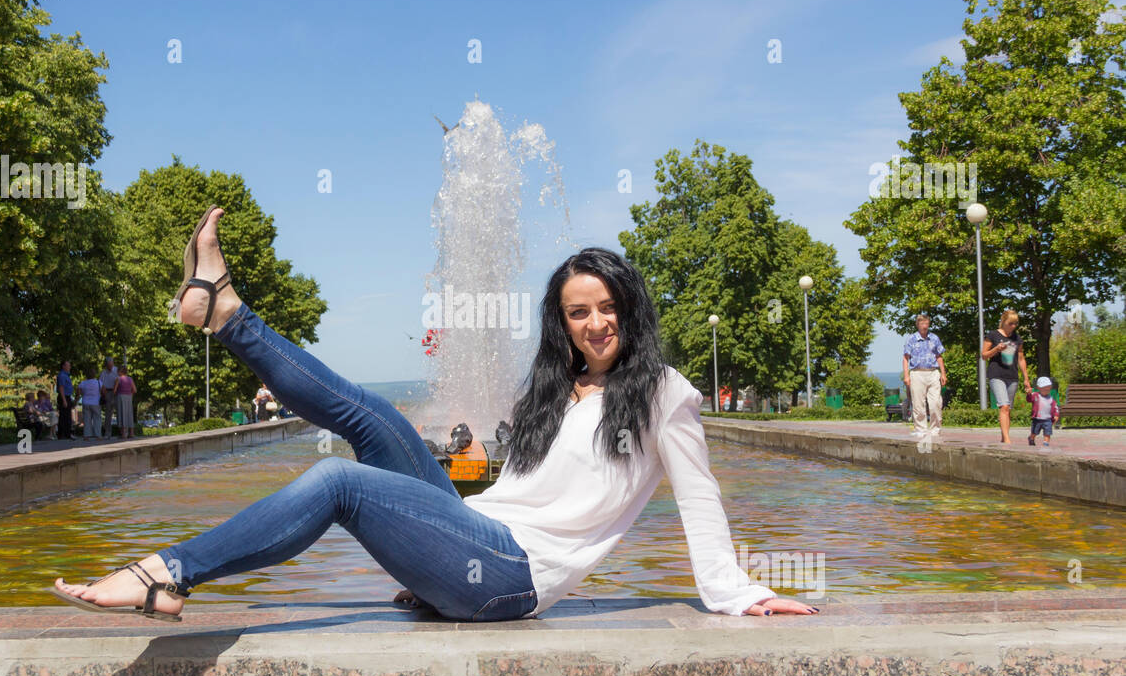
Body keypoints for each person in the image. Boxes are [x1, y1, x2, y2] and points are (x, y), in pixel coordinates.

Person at [52, 207, 818, 622]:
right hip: (475, 535)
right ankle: (225, 312)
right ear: (562, 321)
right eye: (579, 312)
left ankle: (164, 573)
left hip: (509, 580)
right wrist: (431, 546)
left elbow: (701, 497)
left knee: (336, 482)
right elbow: (519, 495)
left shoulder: (665, 394)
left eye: (609, 308)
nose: (596, 324)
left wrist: (736, 591)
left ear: (631, 310)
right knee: (370, 417)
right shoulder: (557, 388)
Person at [982, 308, 1030, 444]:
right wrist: (996, 349)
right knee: (1003, 406)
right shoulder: (993, 335)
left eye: (1015, 323)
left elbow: (1021, 358)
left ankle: (1004, 437)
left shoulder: (1017, 338)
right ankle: (1008, 440)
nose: (1013, 326)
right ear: (1003, 322)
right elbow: (984, 355)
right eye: (1011, 323)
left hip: (1012, 376)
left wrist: (1026, 378)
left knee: (1008, 409)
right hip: (996, 375)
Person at [901, 314, 946, 441]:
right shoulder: (911, 339)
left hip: (933, 372)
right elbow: (906, 358)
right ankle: (920, 429)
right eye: (922, 323)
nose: (925, 326)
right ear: (918, 325)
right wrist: (906, 376)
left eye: (926, 323)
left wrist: (943, 373)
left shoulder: (934, 338)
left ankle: (935, 429)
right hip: (917, 372)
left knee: (936, 402)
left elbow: (939, 356)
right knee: (918, 403)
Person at [1027, 376, 1060, 447]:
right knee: (1035, 432)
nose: (1046, 390)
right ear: (1039, 388)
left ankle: (1046, 443)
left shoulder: (1051, 398)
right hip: (1037, 419)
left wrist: (1056, 415)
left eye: (1048, 388)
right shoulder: (1035, 395)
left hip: (1048, 419)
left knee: (1047, 433)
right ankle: (1031, 438)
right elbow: (1029, 399)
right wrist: (1029, 393)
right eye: (1044, 389)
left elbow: (1055, 407)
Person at [77, 368, 102, 440]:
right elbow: (104, 391)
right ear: (94, 374)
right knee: (97, 419)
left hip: (86, 402)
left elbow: (78, 391)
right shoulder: (98, 382)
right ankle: (98, 435)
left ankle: (86, 436)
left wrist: (81, 394)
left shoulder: (83, 383)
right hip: (96, 403)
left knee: (87, 419)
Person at [99, 357, 119, 439]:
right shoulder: (103, 373)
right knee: (108, 414)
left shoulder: (117, 370)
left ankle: (121, 432)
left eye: (111, 365)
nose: (110, 367)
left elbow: (120, 380)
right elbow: (101, 384)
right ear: (106, 365)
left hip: (117, 392)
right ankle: (107, 432)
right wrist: (104, 393)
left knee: (120, 412)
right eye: (109, 365)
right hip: (107, 392)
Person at [115, 365, 137, 439]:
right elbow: (134, 390)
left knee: (122, 414)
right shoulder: (130, 379)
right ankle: (131, 433)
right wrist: (130, 394)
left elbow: (114, 390)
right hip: (129, 397)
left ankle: (123, 433)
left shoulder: (118, 379)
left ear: (120, 372)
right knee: (129, 414)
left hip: (121, 397)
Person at [56, 360, 75, 440]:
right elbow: (61, 388)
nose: (69, 367)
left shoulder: (66, 375)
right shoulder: (62, 375)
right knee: (64, 416)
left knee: (67, 416)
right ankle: (64, 434)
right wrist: (64, 400)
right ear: (63, 366)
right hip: (64, 397)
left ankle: (66, 434)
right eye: (68, 365)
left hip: (67, 396)